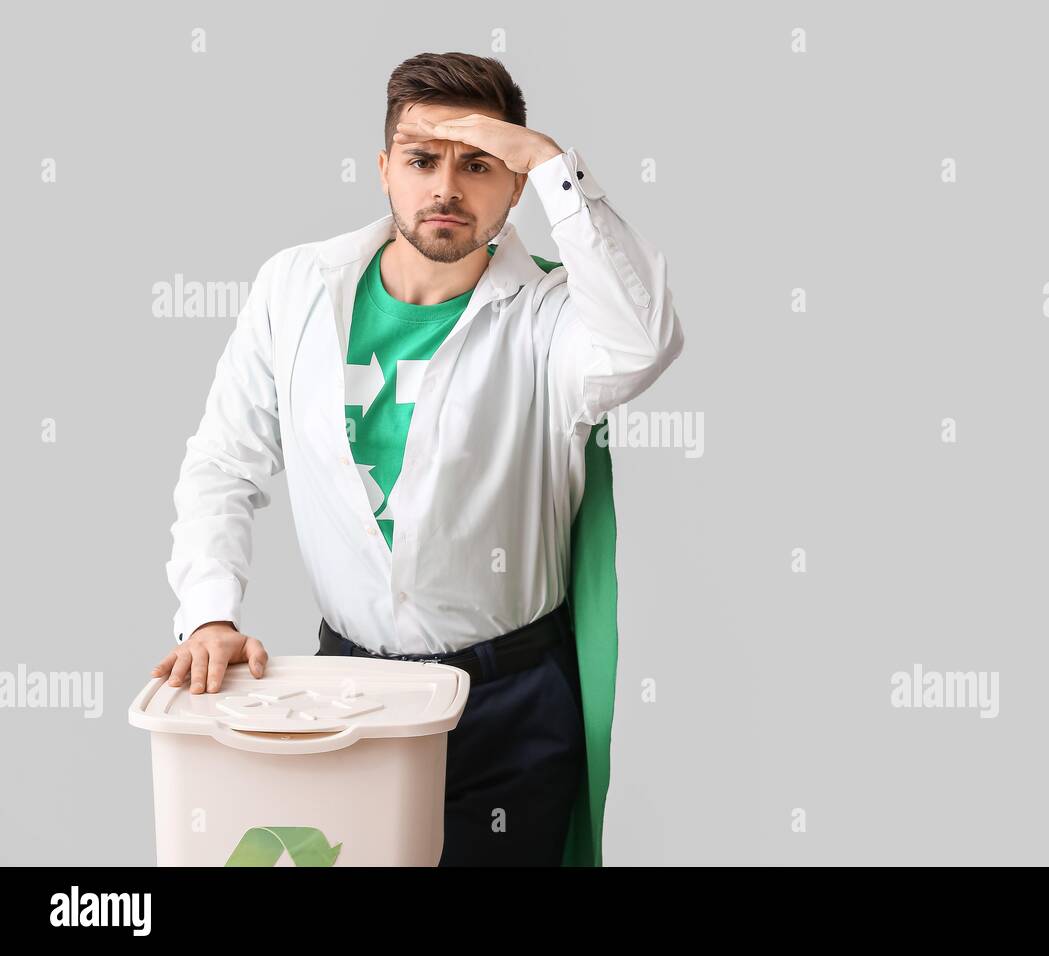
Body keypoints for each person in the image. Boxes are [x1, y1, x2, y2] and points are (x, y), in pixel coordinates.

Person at [148, 51, 684, 866]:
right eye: (422, 159)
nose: (446, 188)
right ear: (384, 170)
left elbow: (644, 342)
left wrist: (550, 163)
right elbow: (223, 462)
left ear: (514, 188)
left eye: (481, 165)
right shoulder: (297, 288)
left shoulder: (550, 317)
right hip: (346, 694)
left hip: (509, 702)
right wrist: (210, 611)